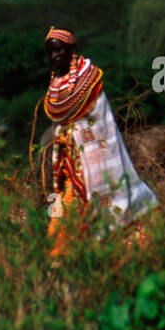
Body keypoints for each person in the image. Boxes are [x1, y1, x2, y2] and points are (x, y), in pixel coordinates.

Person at [38, 26, 157, 256]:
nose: (53, 57)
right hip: (69, 169)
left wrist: (70, 135)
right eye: (50, 52)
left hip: (91, 167)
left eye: (58, 51)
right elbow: (61, 119)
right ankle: (67, 269)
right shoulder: (57, 86)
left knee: (78, 222)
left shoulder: (89, 82)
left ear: (71, 51)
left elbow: (99, 127)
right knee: (61, 222)